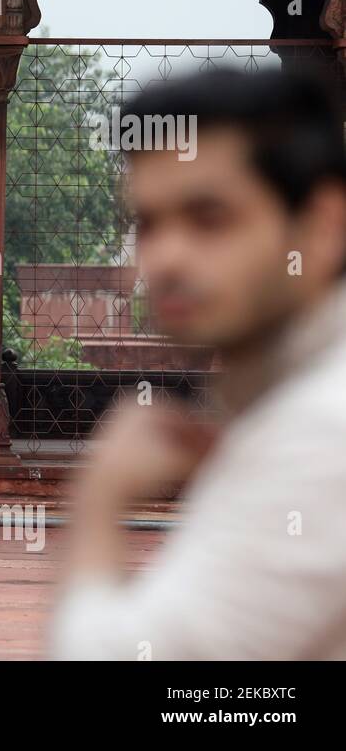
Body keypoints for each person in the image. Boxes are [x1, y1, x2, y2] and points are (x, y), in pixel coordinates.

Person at [49, 67, 346, 659]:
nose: (165, 257)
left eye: (209, 218)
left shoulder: (321, 429)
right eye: (148, 224)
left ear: (322, 226)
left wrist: (99, 501)